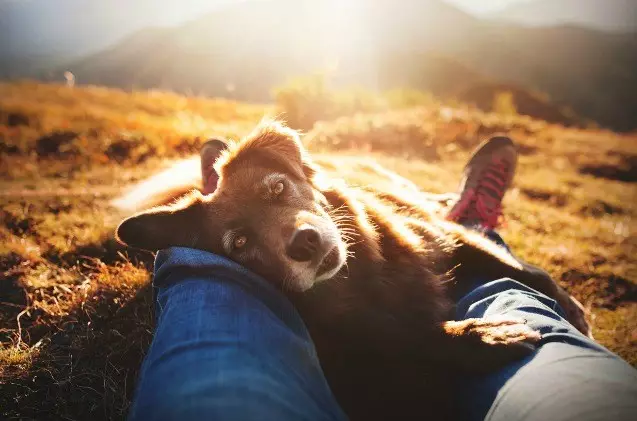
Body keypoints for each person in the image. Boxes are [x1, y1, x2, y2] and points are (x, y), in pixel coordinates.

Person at [128, 137, 637, 421]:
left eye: (278, 189)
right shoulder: (301, 322)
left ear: (302, 172)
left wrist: (542, 280)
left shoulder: (363, 217)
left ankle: (473, 221)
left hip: (410, 250)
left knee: (473, 259)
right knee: (206, 269)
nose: (293, 237)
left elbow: (440, 246)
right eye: (244, 240)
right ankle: (205, 220)